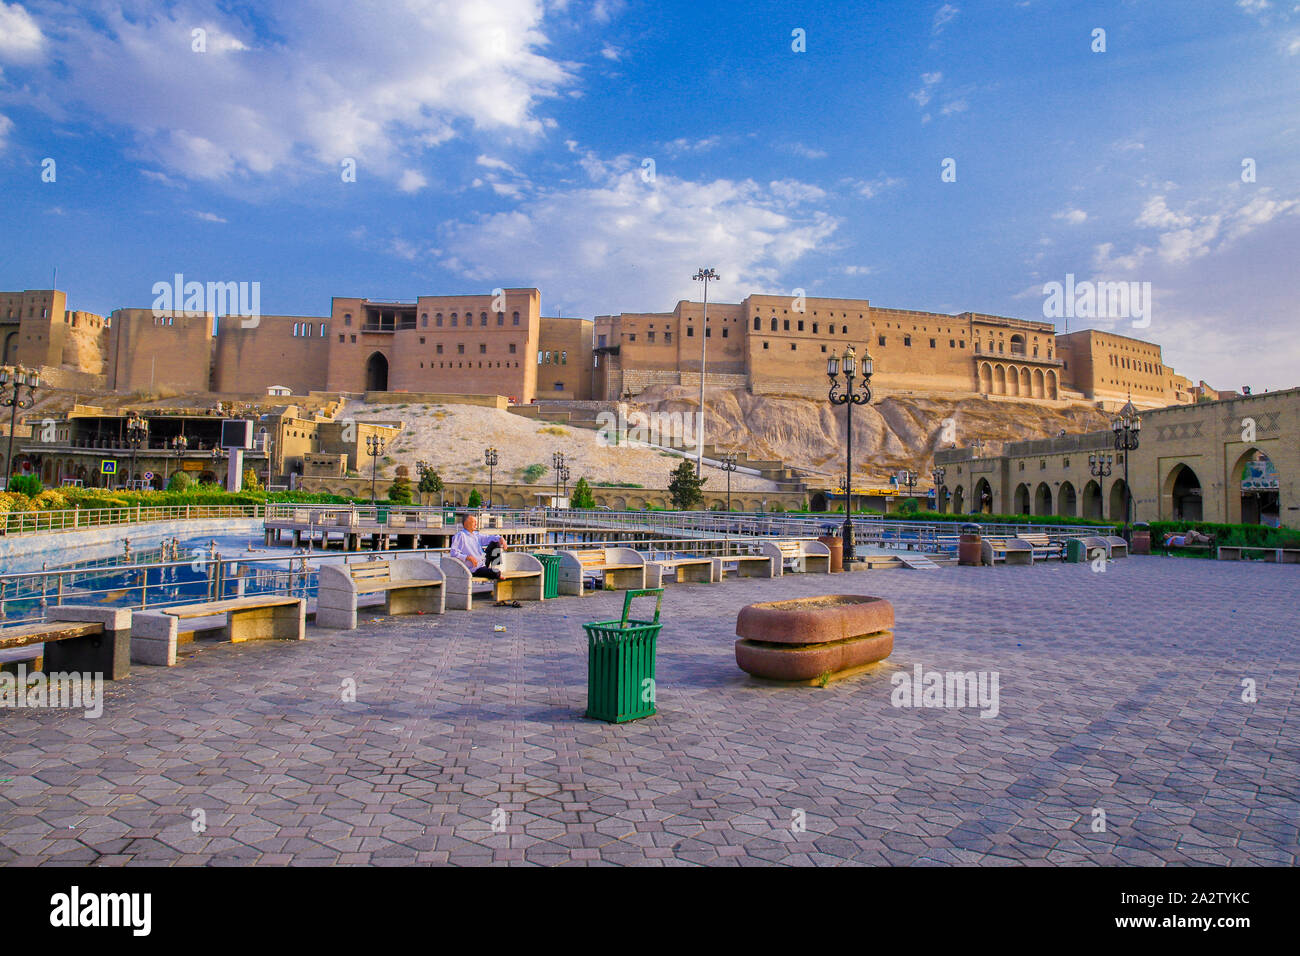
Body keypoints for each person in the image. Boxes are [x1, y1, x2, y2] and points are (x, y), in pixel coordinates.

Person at [449, 514, 507, 579]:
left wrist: (501, 538)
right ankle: (495, 572)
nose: (476, 524)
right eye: (474, 522)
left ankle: (495, 567)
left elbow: (489, 538)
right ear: (466, 523)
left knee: (495, 542)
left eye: (476, 522)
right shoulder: (460, 536)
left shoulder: (476, 535)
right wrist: (467, 557)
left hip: (482, 563)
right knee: (496, 573)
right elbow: (453, 553)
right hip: (474, 568)